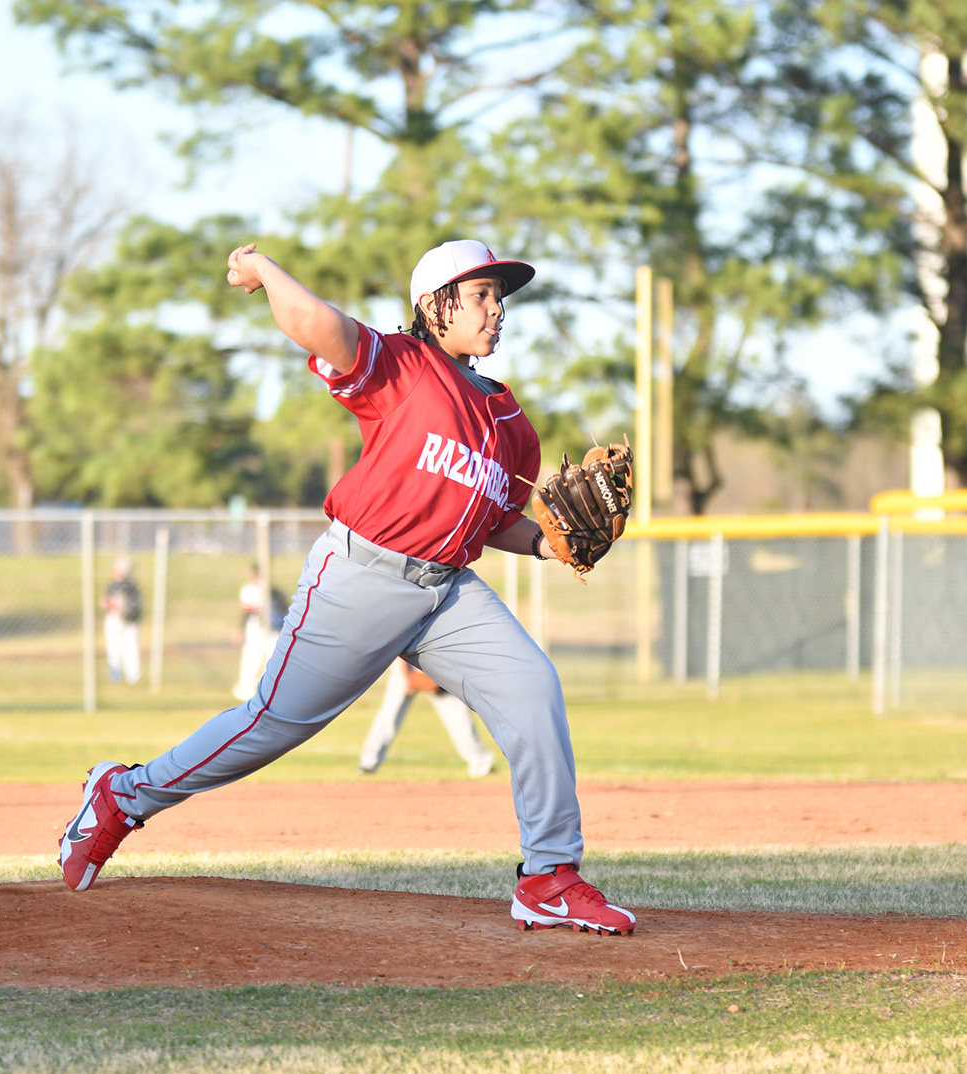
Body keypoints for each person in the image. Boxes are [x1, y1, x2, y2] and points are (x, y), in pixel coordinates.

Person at [58, 238, 635, 935]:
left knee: (533, 689)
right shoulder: (404, 364)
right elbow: (319, 327)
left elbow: (494, 519)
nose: (495, 310)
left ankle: (549, 875)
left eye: (499, 297)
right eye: (480, 294)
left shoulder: (513, 426)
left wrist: (548, 543)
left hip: (447, 590)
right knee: (273, 724)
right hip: (362, 574)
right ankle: (122, 795)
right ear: (434, 305)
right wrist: (266, 271)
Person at [358, 659, 494, 778]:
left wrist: (438, 680)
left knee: (458, 717)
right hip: (406, 661)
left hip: (439, 663)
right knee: (390, 713)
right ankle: (369, 761)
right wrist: (406, 676)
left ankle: (481, 762)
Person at [231, 565, 278, 699]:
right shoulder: (268, 589)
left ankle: (250, 690)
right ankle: (253, 690)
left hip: (262, 628)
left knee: (256, 659)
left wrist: (240, 628)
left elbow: (246, 612)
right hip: (260, 627)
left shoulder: (255, 589)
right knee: (257, 659)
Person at [102, 558, 143, 685]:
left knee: (118, 648)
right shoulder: (133, 586)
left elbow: (105, 602)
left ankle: (117, 677)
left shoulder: (115, 585)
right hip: (129, 621)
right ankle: (132, 677)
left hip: (117, 619)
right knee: (129, 647)